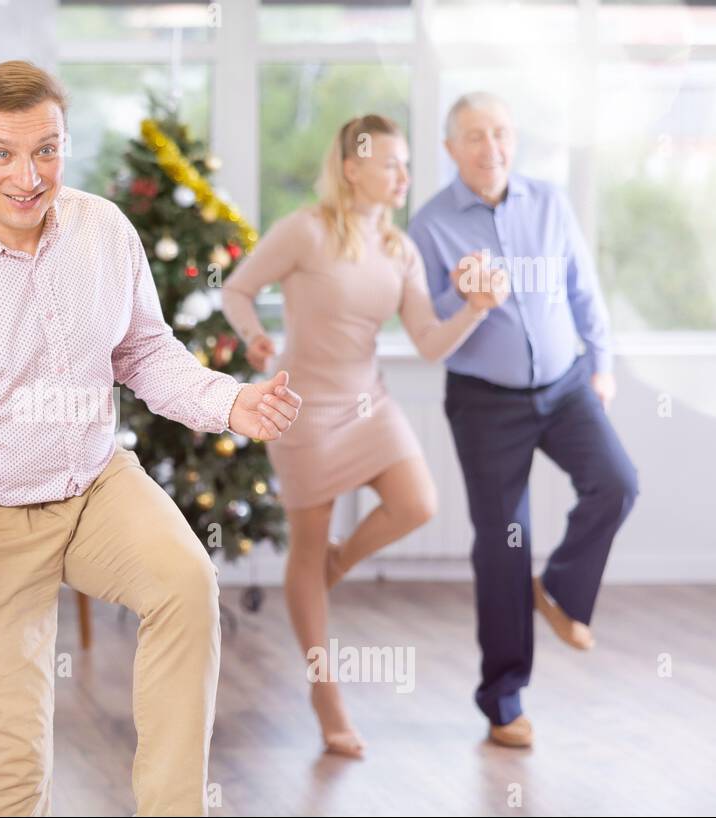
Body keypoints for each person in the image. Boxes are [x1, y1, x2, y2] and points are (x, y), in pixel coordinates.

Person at [0, 60, 301, 817]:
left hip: (94, 485)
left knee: (186, 585)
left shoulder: (102, 229)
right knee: (15, 762)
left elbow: (144, 351)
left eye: (46, 150)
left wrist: (230, 402)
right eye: (3, 154)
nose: (28, 176)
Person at [221, 115, 497, 757]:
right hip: (306, 411)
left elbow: (429, 343)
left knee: (418, 502)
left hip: (369, 403)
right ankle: (327, 697)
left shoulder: (400, 249)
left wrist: (475, 312)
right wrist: (253, 337)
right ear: (352, 168)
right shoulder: (305, 231)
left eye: (406, 165)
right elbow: (238, 289)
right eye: (391, 164)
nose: (404, 176)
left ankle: (338, 565)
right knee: (305, 547)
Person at [407, 92, 638, 747]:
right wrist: (466, 295)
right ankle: (503, 700)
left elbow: (582, 289)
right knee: (505, 543)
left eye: (501, 133)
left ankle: (562, 590)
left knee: (617, 482)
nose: (491, 148)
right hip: (485, 401)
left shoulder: (551, 202)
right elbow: (430, 331)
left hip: (566, 385)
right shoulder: (428, 227)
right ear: (451, 149)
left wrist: (602, 365)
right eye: (475, 136)